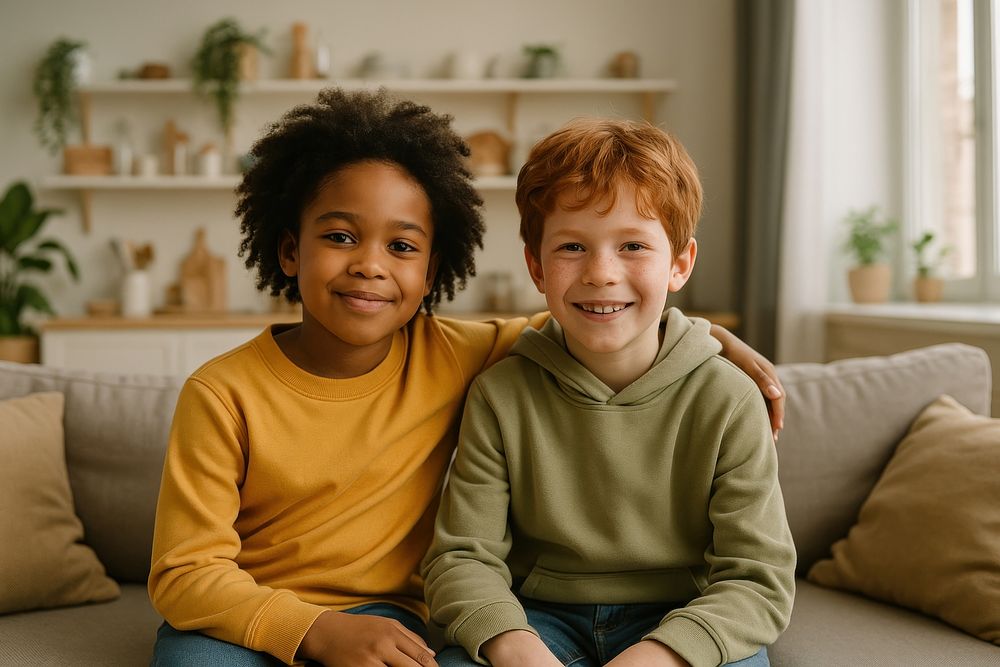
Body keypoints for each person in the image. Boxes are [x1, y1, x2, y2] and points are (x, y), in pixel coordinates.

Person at [148, 89, 786, 667]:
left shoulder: (455, 354)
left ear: (431, 270)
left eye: (402, 247)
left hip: (387, 616)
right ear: (290, 250)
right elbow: (183, 573)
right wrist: (314, 630)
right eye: (340, 236)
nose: (370, 265)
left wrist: (710, 342)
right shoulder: (222, 393)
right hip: (247, 611)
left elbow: (604, 320)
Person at [422, 118, 797, 667]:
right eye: (572, 246)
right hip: (536, 619)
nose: (601, 273)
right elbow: (462, 558)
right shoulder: (500, 394)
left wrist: (661, 654)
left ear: (680, 264)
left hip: (681, 619)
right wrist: (513, 644)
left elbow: (758, 577)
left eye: (633, 245)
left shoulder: (729, 399)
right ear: (536, 267)